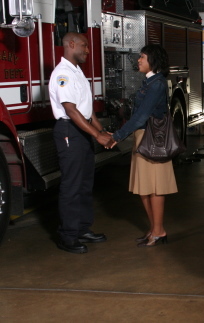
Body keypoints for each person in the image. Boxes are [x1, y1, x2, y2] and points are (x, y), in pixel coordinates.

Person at [49, 32, 114, 254]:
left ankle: (81, 229)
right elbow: (71, 110)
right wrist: (97, 136)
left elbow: (87, 111)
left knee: (85, 183)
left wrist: (102, 131)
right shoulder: (62, 74)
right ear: (71, 44)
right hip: (70, 130)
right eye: (84, 46)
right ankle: (67, 236)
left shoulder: (77, 72)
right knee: (72, 185)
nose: (87, 50)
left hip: (82, 130)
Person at [110, 44, 177, 247]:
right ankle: (155, 229)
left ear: (153, 60)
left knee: (155, 187)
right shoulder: (149, 81)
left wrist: (118, 135)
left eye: (142, 57)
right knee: (145, 188)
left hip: (152, 138)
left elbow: (141, 117)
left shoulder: (156, 84)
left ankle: (159, 231)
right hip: (143, 137)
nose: (138, 60)